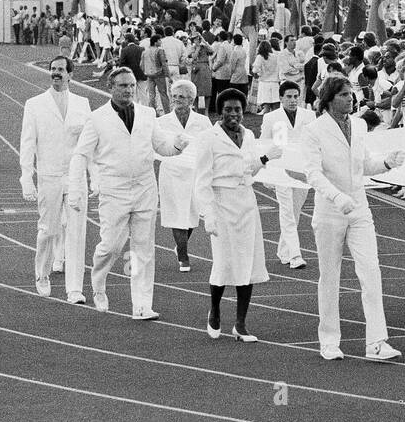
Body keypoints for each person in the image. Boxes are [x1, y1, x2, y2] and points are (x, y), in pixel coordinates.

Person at [68, 67, 187, 320]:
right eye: (123, 86)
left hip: (144, 187)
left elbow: (161, 146)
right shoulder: (97, 118)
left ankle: (142, 305)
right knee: (111, 246)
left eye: (132, 85)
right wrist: (76, 189)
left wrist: (177, 145)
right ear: (111, 87)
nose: (129, 90)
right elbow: (81, 155)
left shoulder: (147, 113)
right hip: (114, 190)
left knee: (143, 249)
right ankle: (98, 281)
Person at [299, 76, 404, 361]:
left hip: (360, 208)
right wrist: (336, 197)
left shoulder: (358, 125)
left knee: (371, 272)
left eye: (351, 94)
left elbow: (363, 163)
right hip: (330, 211)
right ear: (330, 98)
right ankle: (329, 340)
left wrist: (386, 162)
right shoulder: (313, 131)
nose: (350, 99)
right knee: (330, 276)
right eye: (344, 95)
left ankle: (377, 342)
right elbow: (313, 173)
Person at [191, 88, 279, 342]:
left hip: (246, 203)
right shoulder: (209, 137)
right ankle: (215, 311)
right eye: (228, 109)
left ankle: (240, 323)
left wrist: (265, 158)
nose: (233, 114)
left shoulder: (248, 134)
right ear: (220, 112)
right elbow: (202, 180)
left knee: (247, 262)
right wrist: (208, 215)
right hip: (221, 203)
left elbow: (249, 168)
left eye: (238, 109)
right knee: (224, 261)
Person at [19, 56, 93, 302]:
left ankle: (75, 289)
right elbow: (27, 144)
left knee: (76, 232)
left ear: (70, 74)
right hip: (49, 176)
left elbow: (89, 144)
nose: (56, 73)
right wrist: (26, 178)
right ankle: (42, 274)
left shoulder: (83, 103)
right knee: (48, 231)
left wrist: (96, 176)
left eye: (61, 70)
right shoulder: (35, 104)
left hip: (75, 177)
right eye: (53, 69)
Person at [155, 79, 211, 272]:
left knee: (192, 214)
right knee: (177, 213)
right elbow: (156, 146)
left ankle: (181, 244)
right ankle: (183, 255)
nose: (177, 100)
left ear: (191, 100)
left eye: (182, 97)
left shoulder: (203, 122)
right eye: (175, 96)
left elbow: (210, 146)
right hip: (172, 173)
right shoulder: (161, 122)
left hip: (195, 173)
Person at [260, 80, 315, 268]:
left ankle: (284, 251)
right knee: (287, 212)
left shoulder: (309, 116)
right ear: (281, 98)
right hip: (280, 170)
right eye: (289, 97)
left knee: (295, 211)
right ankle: (294, 255)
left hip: (301, 170)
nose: (293, 100)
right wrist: (266, 172)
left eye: (295, 96)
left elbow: (315, 142)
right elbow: (264, 144)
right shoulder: (271, 118)